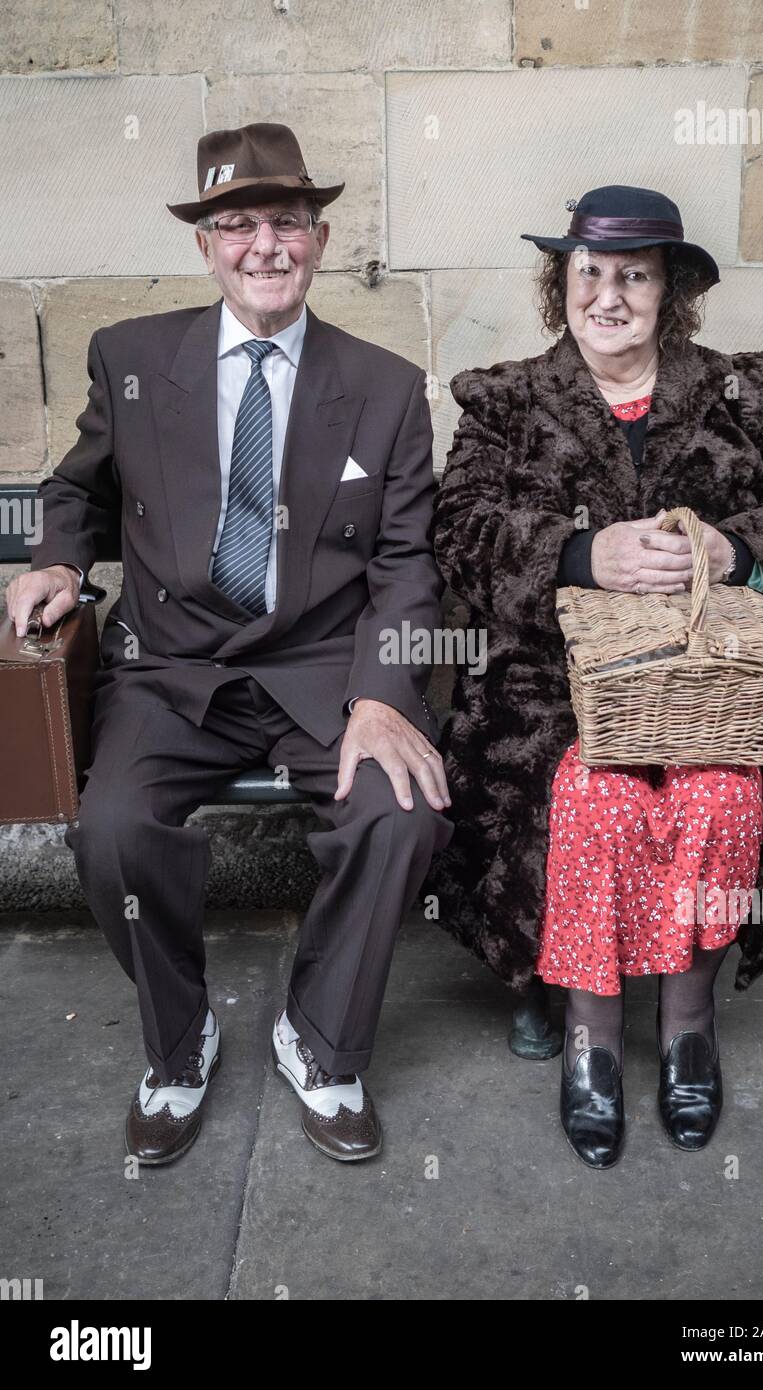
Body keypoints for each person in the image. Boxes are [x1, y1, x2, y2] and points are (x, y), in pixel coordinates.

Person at [6, 122, 453, 1166]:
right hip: (171, 668)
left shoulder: (384, 389)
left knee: (402, 814)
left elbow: (403, 563)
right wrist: (61, 565)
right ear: (206, 245)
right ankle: (178, 1038)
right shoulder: (130, 358)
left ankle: (321, 1036)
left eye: (285, 222)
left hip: (321, 669)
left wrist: (383, 696)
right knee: (111, 828)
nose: (264, 244)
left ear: (320, 237)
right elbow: (78, 489)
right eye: (237, 223)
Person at [424, 185, 763, 1168]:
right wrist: (578, 555)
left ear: (670, 292)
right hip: (555, 690)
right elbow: (457, 538)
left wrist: (731, 552)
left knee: (718, 794)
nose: (607, 296)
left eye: (633, 276)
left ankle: (686, 1026)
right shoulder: (509, 400)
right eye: (589, 273)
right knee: (594, 797)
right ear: (559, 283)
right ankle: (591, 1036)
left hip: (713, 686)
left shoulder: (736, 392)